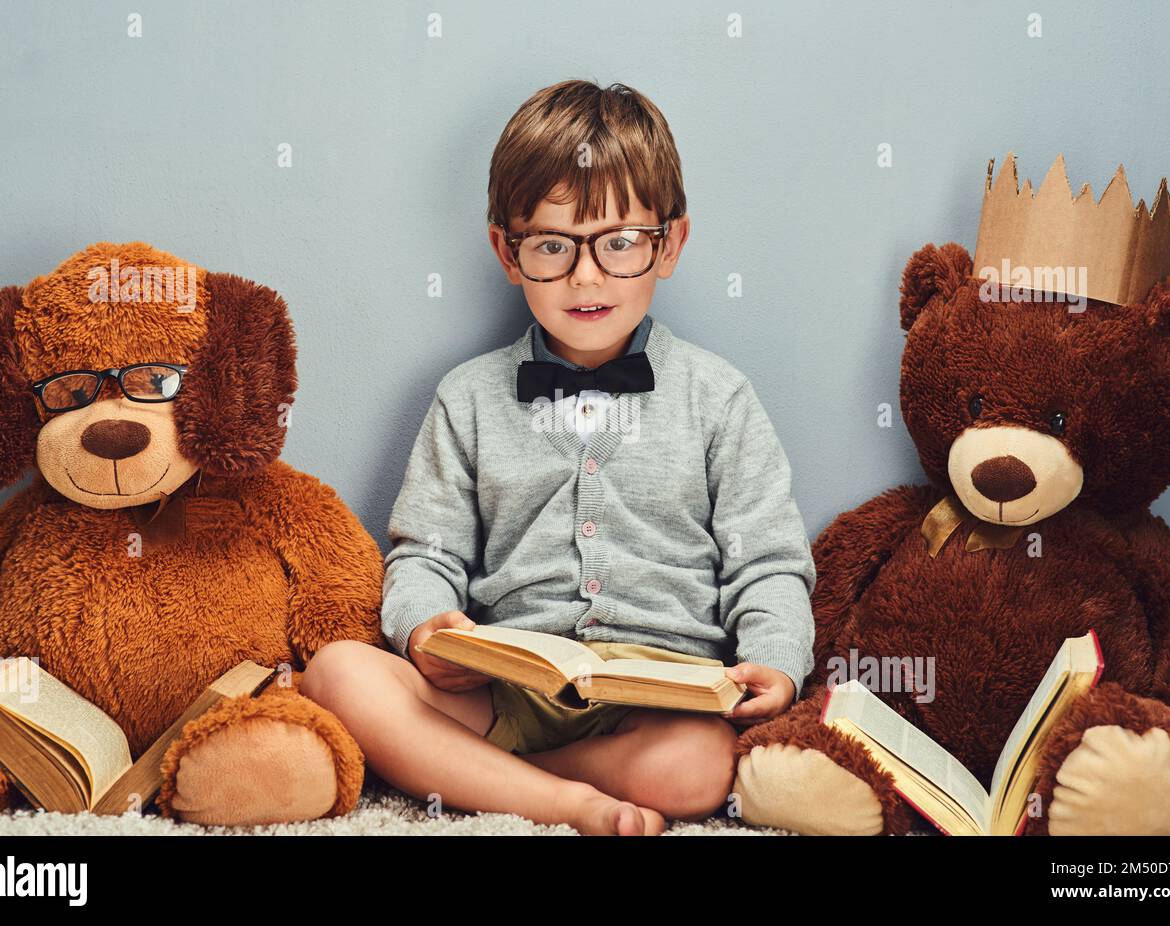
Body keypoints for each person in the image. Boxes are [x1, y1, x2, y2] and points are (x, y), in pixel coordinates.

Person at [302, 79, 816, 835]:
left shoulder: (719, 396)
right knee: (336, 673)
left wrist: (776, 657)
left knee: (705, 765)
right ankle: (567, 802)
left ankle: (483, 783)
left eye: (619, 243)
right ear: (506, 253)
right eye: (551, 245)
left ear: (668, 244)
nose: (586, 276)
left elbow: (768, 562)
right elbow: (424, 555)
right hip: (505, 689)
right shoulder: (467, 396)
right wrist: (427, 628)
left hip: (657, 701)